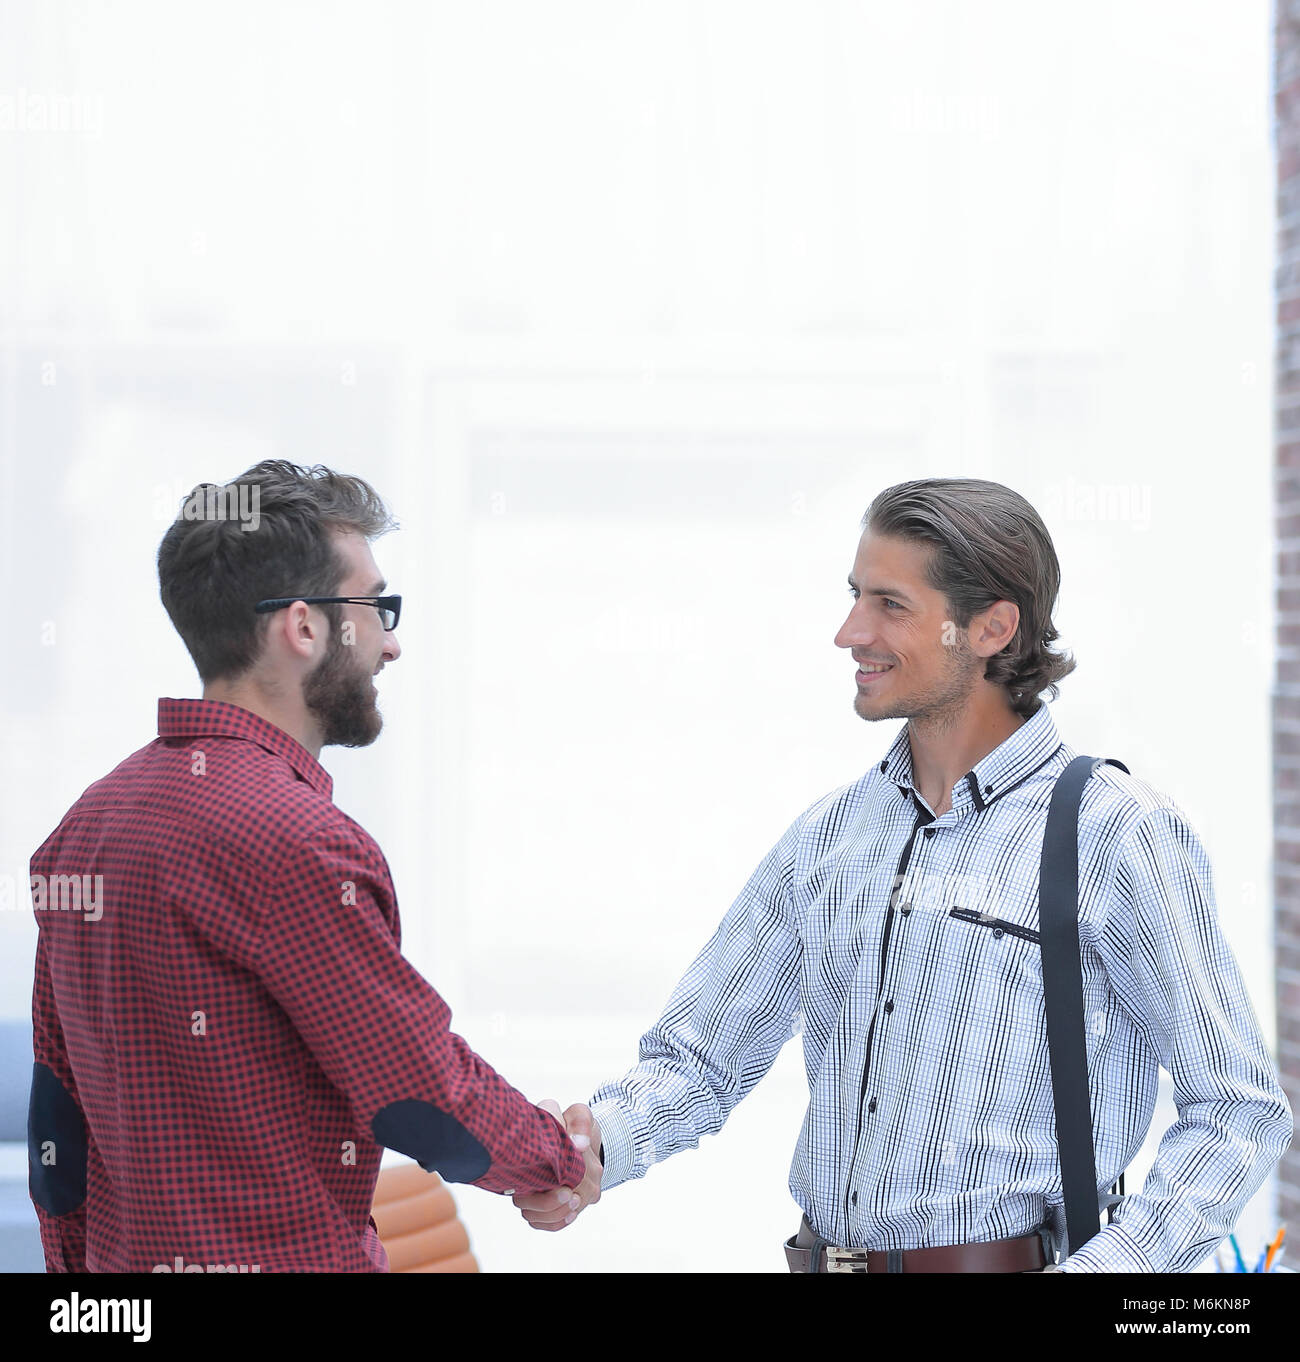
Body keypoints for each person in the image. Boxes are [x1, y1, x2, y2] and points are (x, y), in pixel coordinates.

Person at [514, 476, 1293, 1272]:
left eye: (890, 604)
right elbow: (700, 1060)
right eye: (855, 595)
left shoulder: (1116, 834)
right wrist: (592, 1148)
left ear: (991, 628)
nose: (850, 632)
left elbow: (1238, 1108)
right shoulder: (831, 836)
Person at [27, 460, 589, 1272]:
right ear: (304, 627)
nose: (392, 642)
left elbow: (58, 1126)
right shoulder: (297, 840)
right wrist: (559, 1161)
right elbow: (420, 1094)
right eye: (377, 608)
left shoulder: (85, 827)